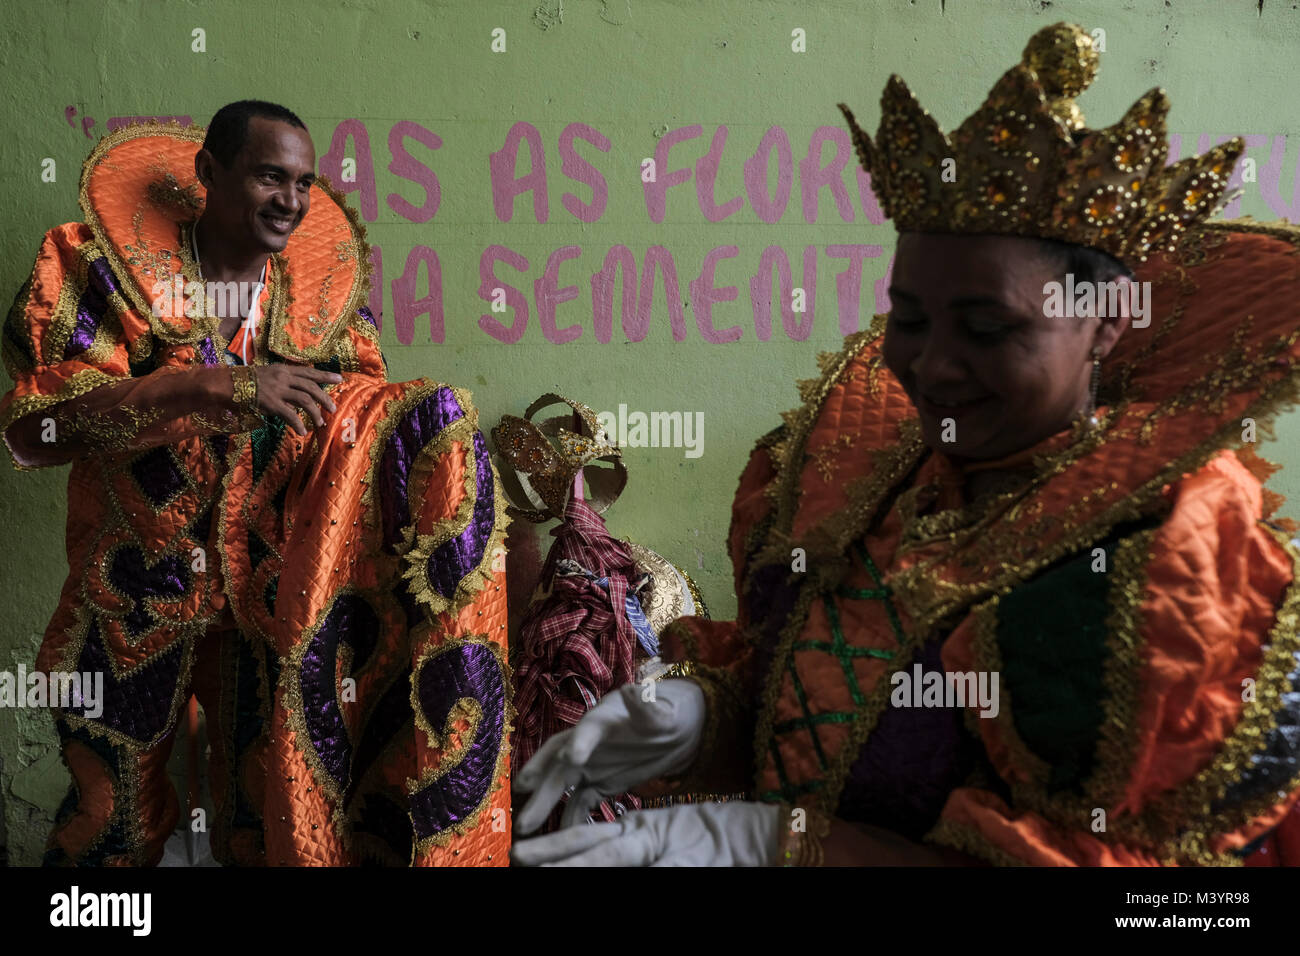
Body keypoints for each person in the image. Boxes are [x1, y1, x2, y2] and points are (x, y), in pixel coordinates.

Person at [511, 23, 1300, 866]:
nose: (932, 365)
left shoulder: (1169, 556)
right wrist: (697, 717)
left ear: (1105, 326)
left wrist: (784, 847)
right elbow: (803, 702)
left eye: (988, 328)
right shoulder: (875, 482)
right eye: (910, 319)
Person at [0, 101, 512, 866]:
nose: (292, 201)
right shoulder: (104, 269)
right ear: (209, 172)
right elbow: (40, 430)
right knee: (109, 825)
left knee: (267, 819)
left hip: (274, 607)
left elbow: (360, 445)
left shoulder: (326, 306)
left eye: (304, 183)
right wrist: (223, 389)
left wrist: (429, 431)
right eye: (272, 175)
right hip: (133, 600)